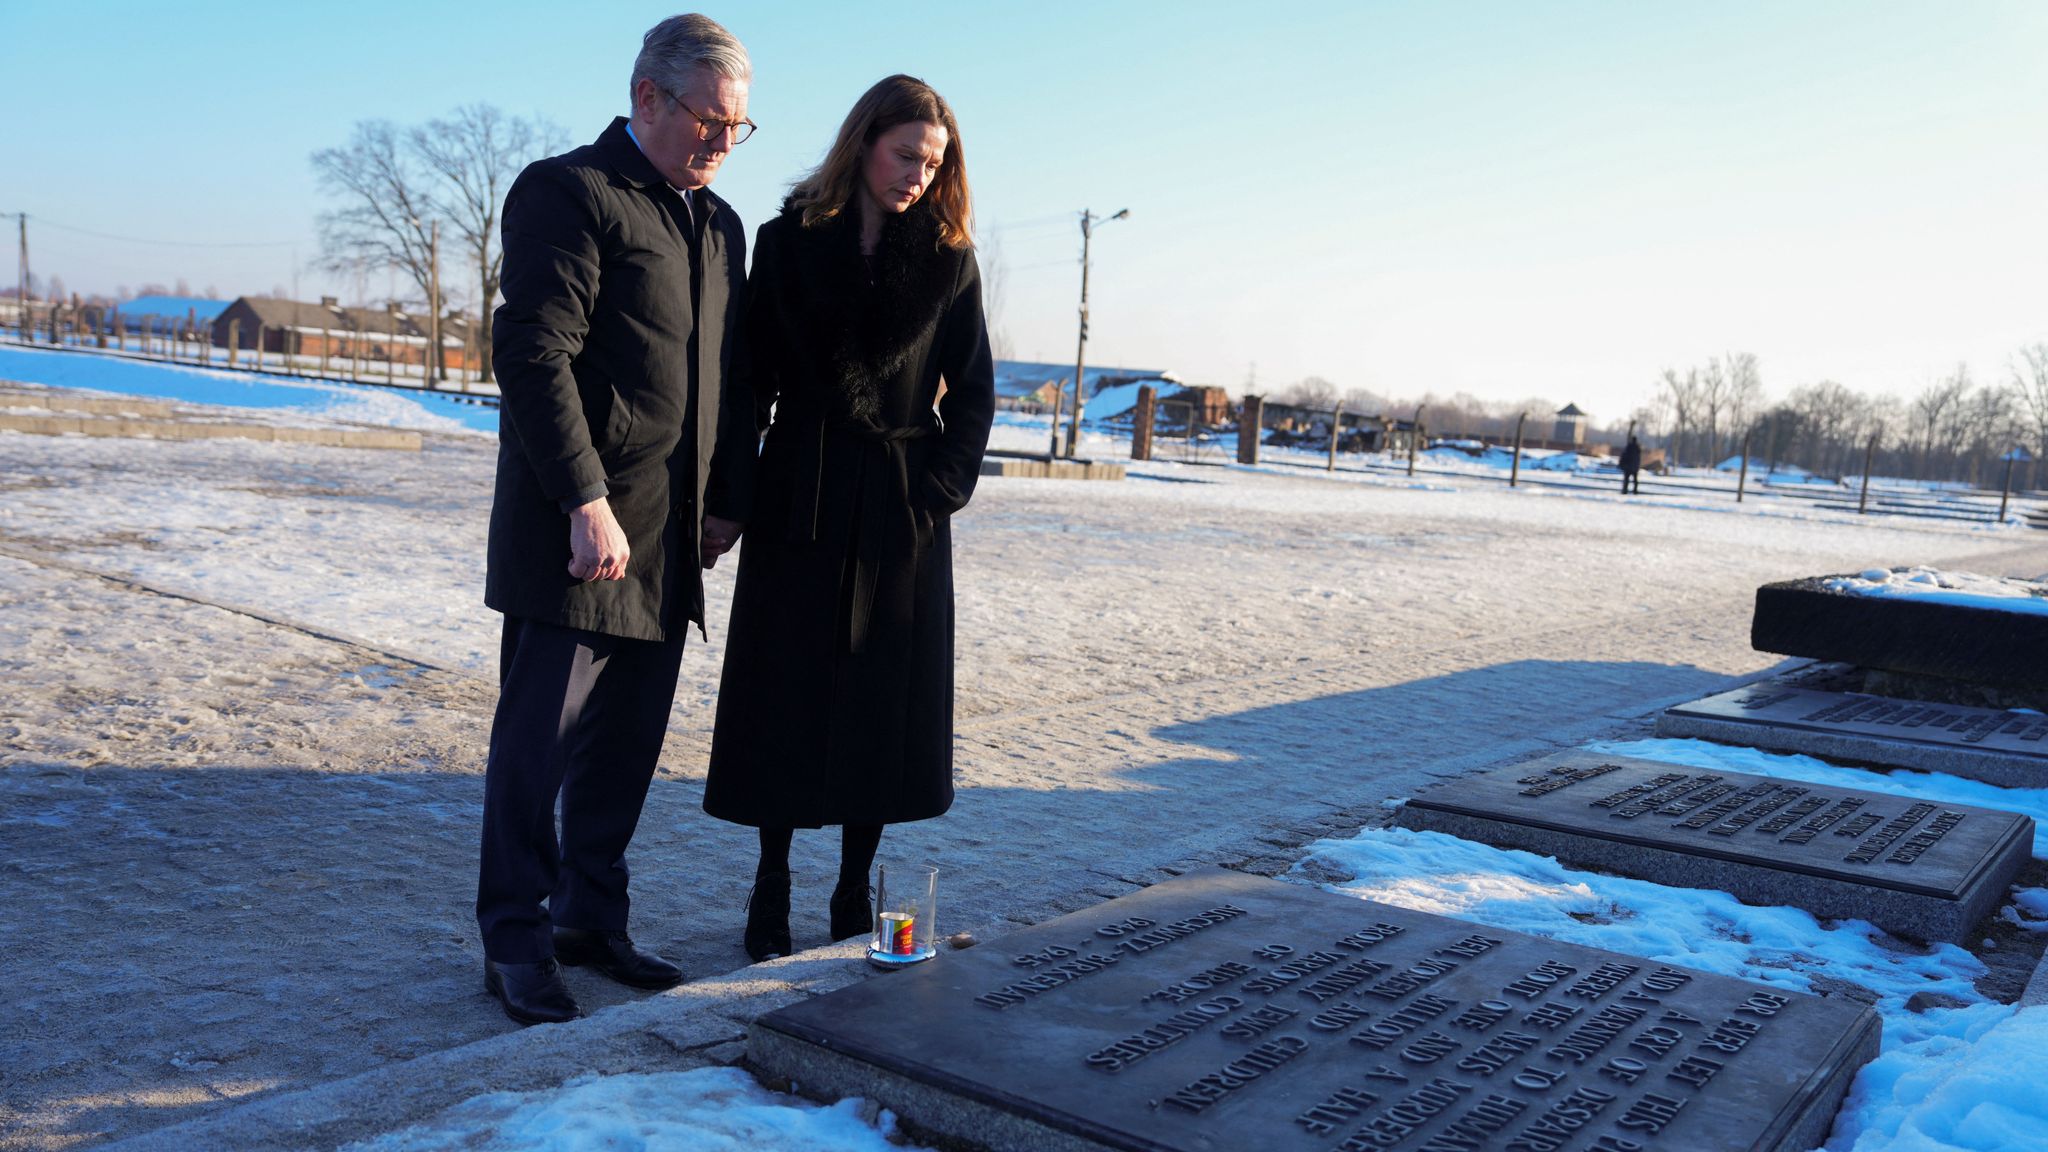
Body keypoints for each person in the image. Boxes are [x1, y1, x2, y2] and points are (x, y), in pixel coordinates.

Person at [475, 13, 760, 1026]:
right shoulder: (569, 192)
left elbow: (727, 377)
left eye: (737, 126)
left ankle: (590, 920)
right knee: (537, 752)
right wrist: (583, 499)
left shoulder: (719, 227)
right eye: (708, 119)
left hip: (668, 539)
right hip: (578, 532)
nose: (722, 141)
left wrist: (725, 498)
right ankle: (514, 941)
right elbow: (533, 353)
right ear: (647, 96)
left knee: (625, 747)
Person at [702, 75, 995, 962]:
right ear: (863, 142)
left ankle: (851, 886)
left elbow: (974, 395)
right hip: (803, 487)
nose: (917, 175)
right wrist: (732, 499)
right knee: (785, 692)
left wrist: (934, 494)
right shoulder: (787, 242)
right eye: (905, 154)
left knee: (878, 697)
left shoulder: (949, 258)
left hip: (900, 506)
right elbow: (747, 384)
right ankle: (772, 881)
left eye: (932, 163)